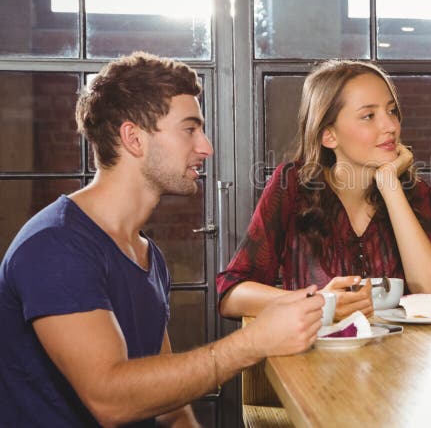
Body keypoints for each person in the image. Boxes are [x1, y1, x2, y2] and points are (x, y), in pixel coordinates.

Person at [0, 52, 324, 427]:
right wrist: (254, 343)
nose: (206, 147)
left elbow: (170, 408)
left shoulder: (145, 253)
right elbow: (110, 399)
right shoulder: (54, 246)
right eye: (190, 129)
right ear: (133, 138)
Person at [217, 60, 431, 320]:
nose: (391, 126)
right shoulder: (293, 185)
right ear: (329, 136)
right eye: (369, 116)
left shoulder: (413, 191)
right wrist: (320, 302)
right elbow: (231, 295)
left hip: (399, 357)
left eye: (392, 111)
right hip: (315, 358)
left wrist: (390, 186)